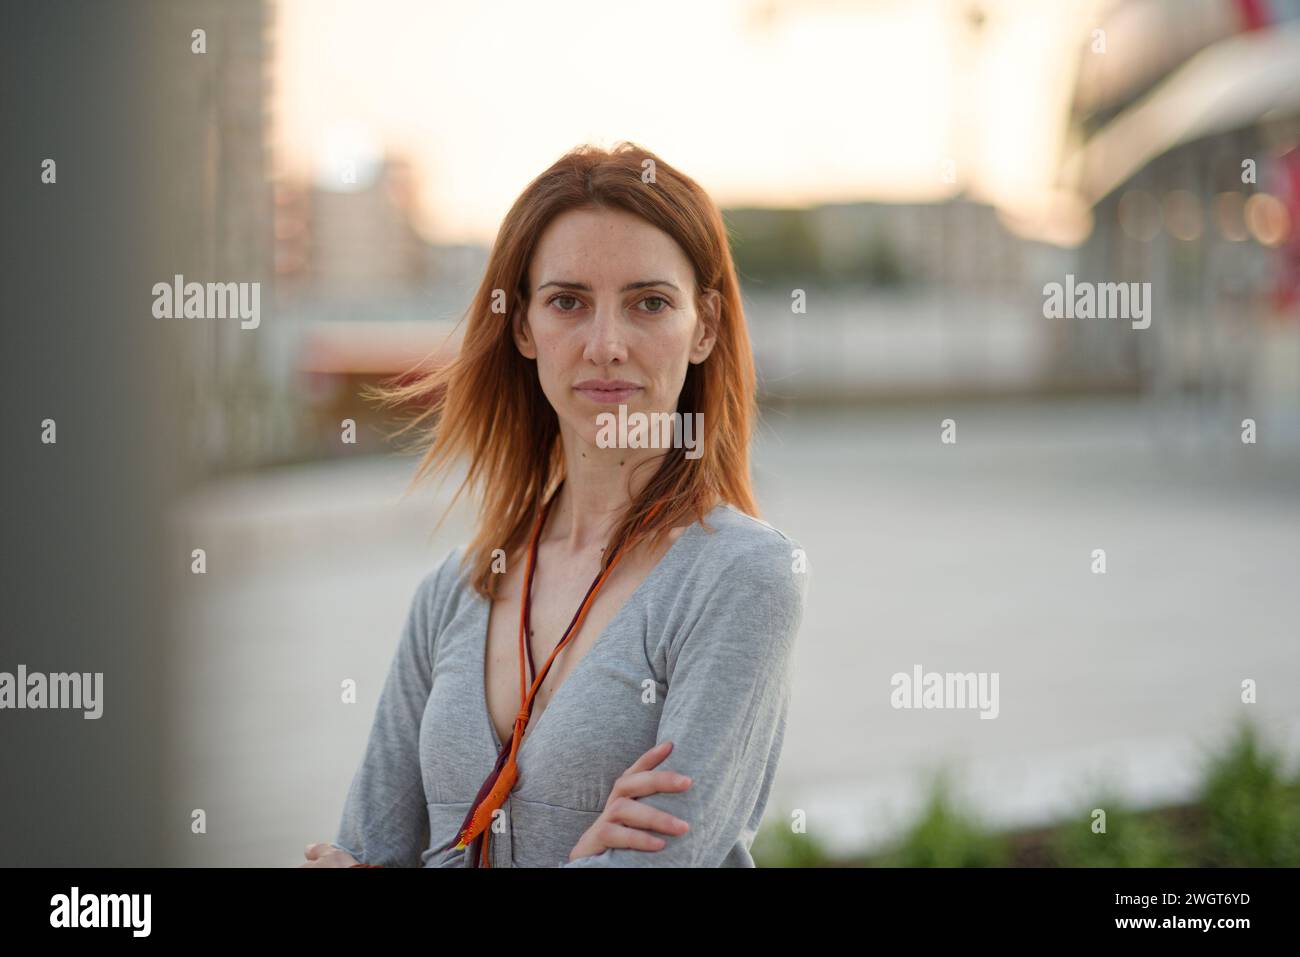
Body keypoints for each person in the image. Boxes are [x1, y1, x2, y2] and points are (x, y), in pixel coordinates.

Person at [301, 142, 809, 868]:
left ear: (706, 327)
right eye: (568, 301)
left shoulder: (741, 576)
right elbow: (358, 849)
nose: (605, 344)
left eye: (649, 302)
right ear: (522, 326)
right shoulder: (452, 591)